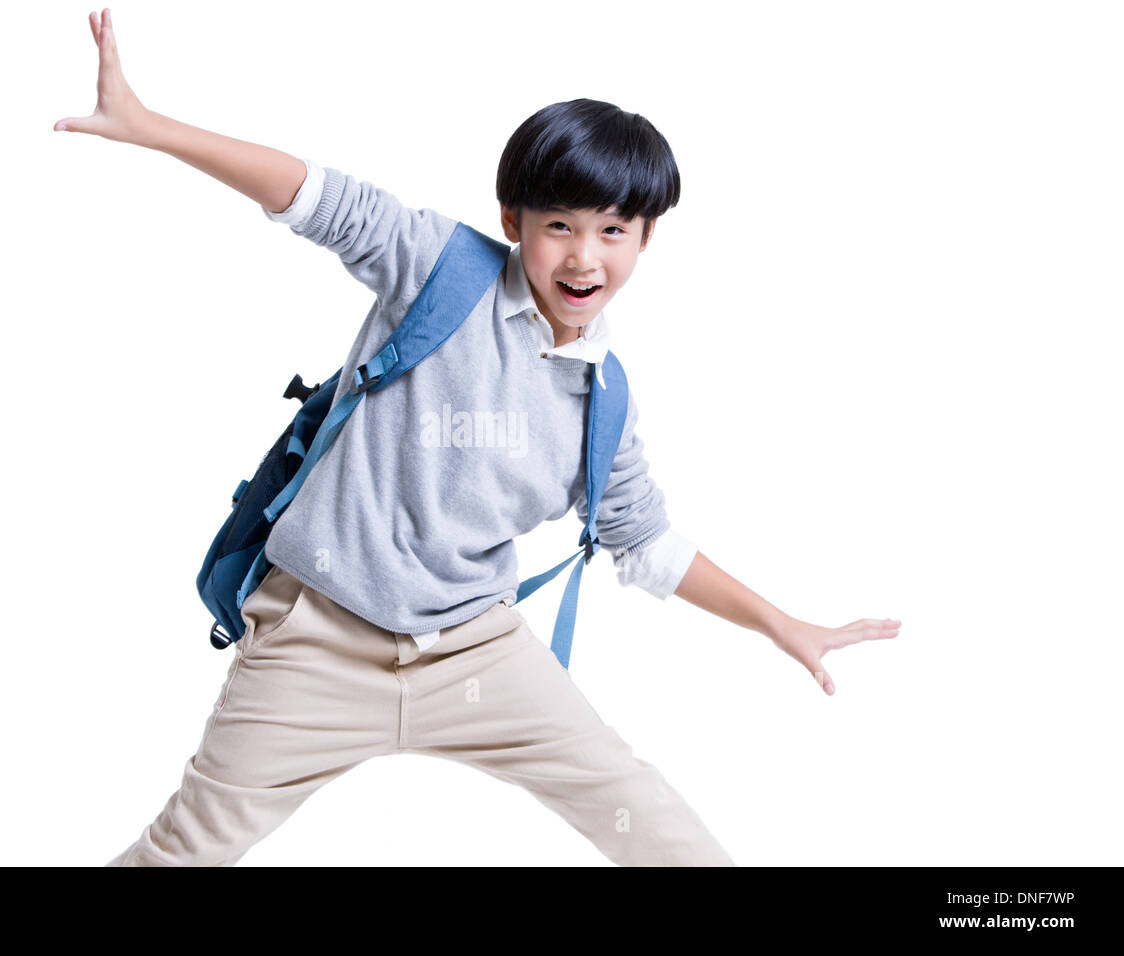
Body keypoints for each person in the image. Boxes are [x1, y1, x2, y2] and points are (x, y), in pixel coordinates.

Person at [57, 8, 902, 867]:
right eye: (561, 225)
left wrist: (781, 623)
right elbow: (316, 197)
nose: (585, 258)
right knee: (181, 852)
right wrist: (150, 127)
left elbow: (644, 541)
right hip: (315, 642)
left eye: (614, 230)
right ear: (514, 220)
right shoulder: (436, 268)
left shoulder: (601, 397)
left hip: (474, 653)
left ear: (648, 238)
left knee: (647, 820)